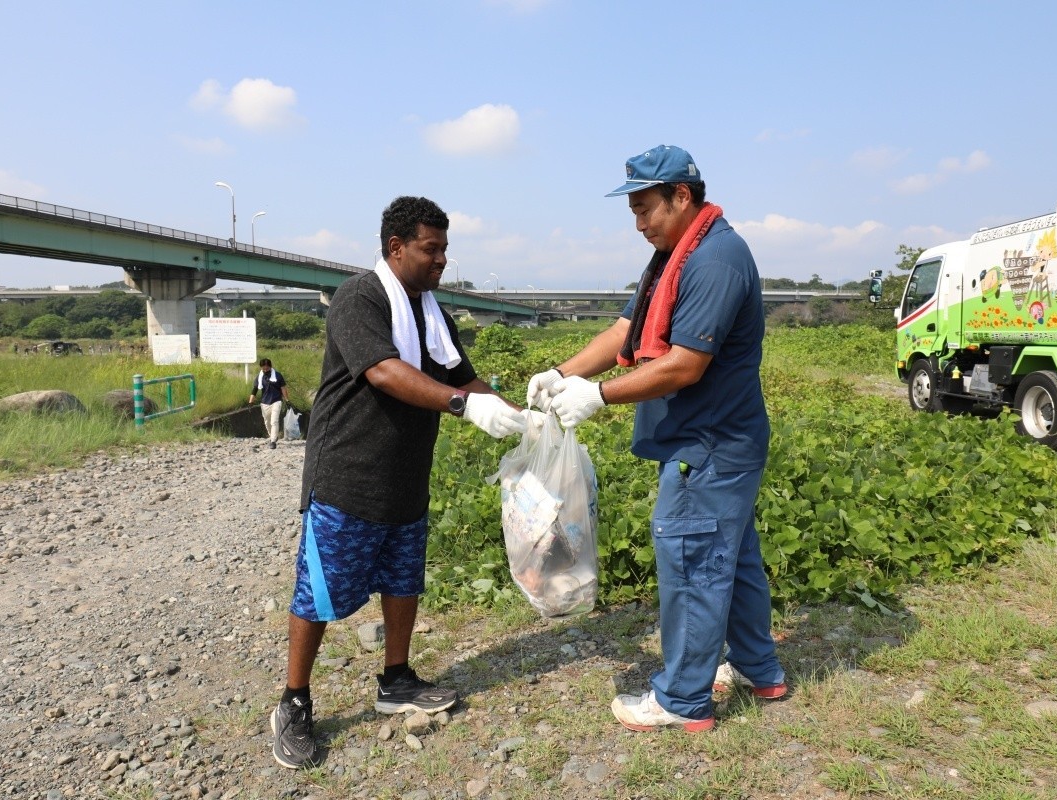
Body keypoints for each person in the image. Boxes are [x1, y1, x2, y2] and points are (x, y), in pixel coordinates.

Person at [527, 144, 786, 733]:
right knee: (735, 558)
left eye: (647, 210)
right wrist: (565, 373)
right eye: (634, 213)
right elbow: (626, 329)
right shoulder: (673, 257)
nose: (640, 225)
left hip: (711, 445)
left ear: (682, 197)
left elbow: (686, 363)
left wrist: (599, 396)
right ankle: (757, 667)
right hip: (714, 442)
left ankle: (684, 698)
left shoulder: (715, 260)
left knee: (692, 558)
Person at [270, 195, 528, 769]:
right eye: (430, 249)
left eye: (444, 251)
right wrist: (464, 408)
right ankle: (294, 700)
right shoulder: (360, 296)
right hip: (348, 476)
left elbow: (464, 376)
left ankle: (396, 678)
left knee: (403, 582)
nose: (441, 261)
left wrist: (518, 417)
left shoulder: (431, 311)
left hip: (406, 478)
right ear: (396, 247)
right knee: (319, 593)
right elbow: (385, 371)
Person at [248, 358, 291, 449]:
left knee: (274, 421)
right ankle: (273, 436)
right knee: (267, 422)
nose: (265, 370)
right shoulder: (259, 377)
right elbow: (254, 390)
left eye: (267, 368)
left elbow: (283, 389)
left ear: (270, 367)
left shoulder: (278, 376)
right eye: (263, 368)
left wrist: (287, 400)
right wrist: (250, 402)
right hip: (264, 403)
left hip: (276, 401)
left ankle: (272, 442)